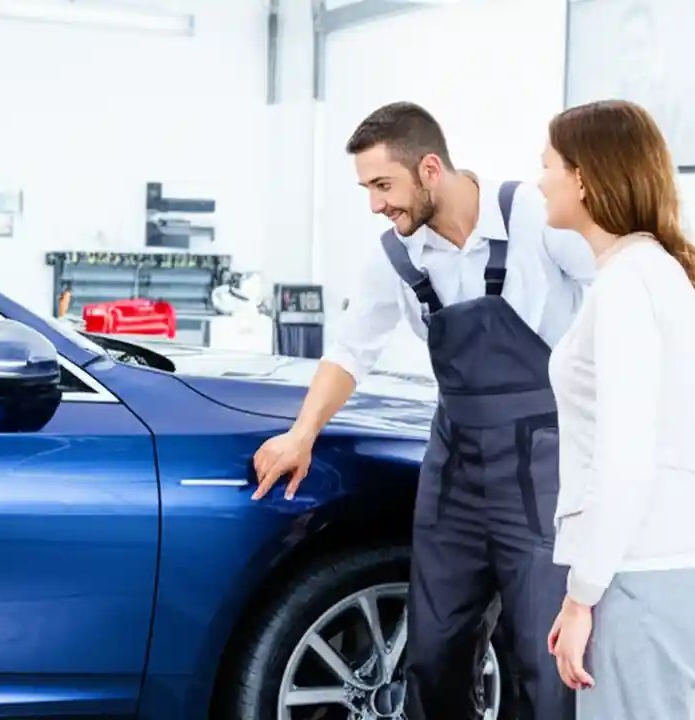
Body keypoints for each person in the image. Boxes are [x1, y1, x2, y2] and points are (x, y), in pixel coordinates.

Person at [251, 100, 594, 720]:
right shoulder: (398, 255)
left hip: (543, 469)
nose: (376, 205)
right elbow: (351, 350)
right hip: (455, 470)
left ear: (429, 168)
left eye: (383, 185)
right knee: (434, 654)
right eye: (367, 189)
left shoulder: (540, 222)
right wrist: (302, 433)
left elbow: (617, 302)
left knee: (539, 660)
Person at [538, 98, 695, 719]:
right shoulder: (649, 271)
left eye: (547, 165)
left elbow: (626, 459)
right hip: (667, 566)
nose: (539, 180)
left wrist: (581, 595)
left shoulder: (626, 284)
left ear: (584, 178)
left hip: (643, 572)